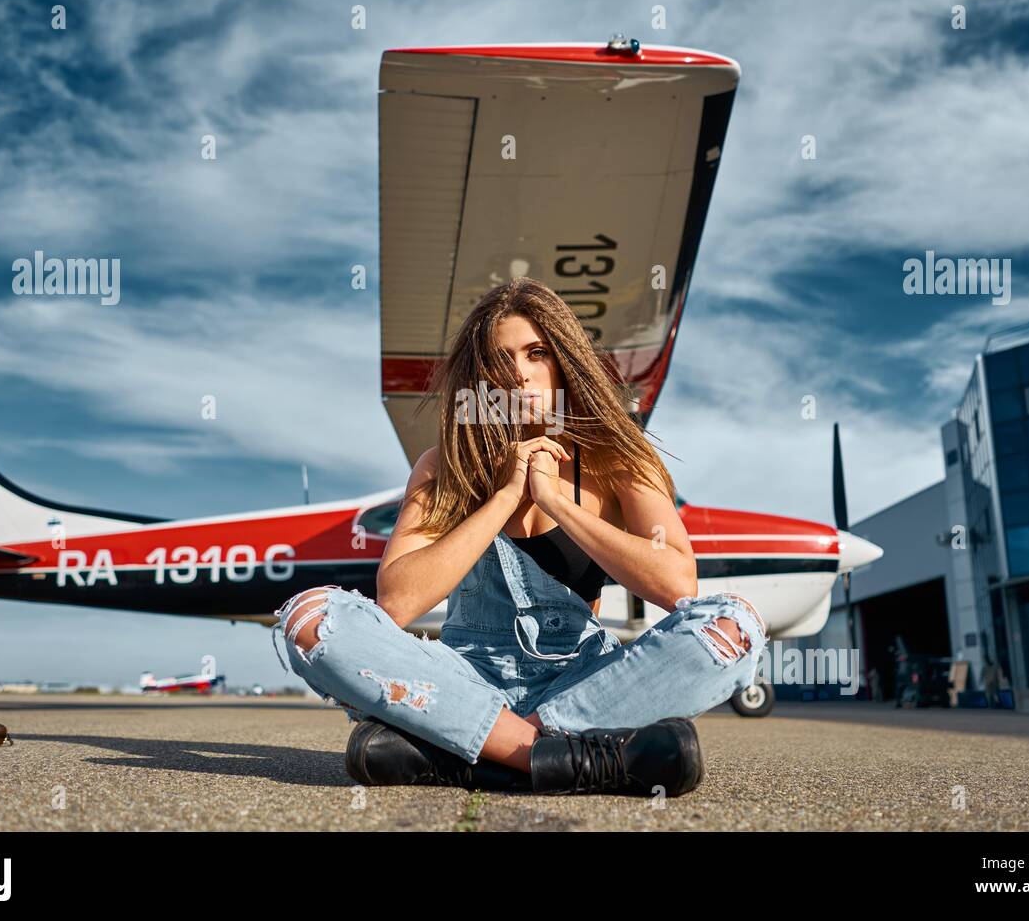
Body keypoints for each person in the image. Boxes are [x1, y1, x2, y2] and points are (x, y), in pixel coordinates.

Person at [269, 277, 768, 796]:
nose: (519, 375)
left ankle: (464, 754)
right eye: (499, 359)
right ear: (480, 378)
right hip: (463, 677)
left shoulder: (619, 458)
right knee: (312, 618)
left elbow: (677, 584)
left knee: (736, 626)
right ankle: (564, 758)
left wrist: (555, 502)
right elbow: (397, 601)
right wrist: (505, 495)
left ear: (564, 361)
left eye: (537, 353)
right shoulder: (443, 466)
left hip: (584, 680)